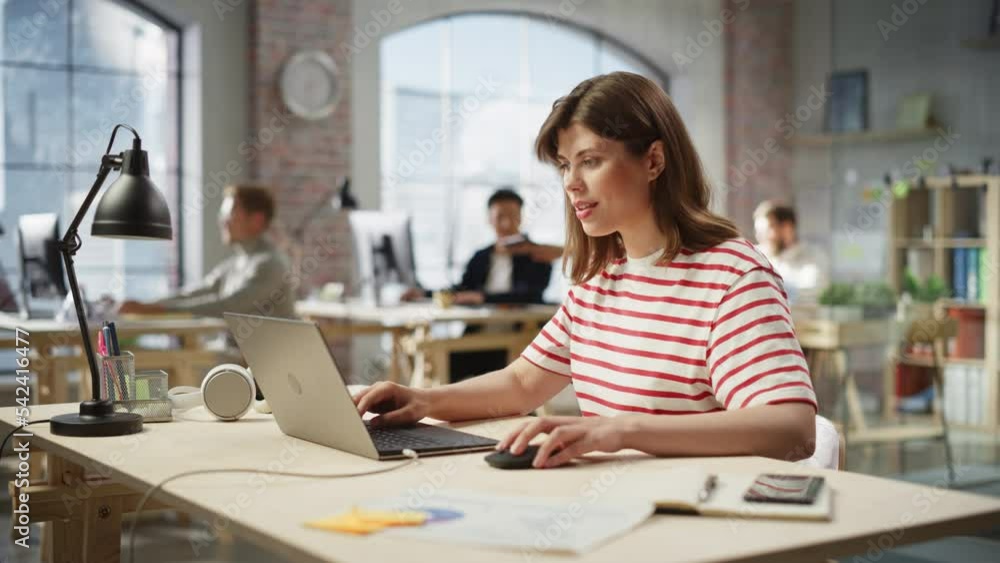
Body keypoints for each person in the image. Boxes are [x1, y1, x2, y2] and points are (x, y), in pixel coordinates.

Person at [355, 72, 817, 469]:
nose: (571, 183)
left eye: (591, 161)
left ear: (653, 160)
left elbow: (791, 427)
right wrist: (424, 401)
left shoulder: (732, 276)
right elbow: (522, 383)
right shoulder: (601, 278)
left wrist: (622, 432)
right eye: (564, 165)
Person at [119, 184, 295, 319]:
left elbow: (228, 306)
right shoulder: (233, 264)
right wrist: (147, 305)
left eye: (231, 213)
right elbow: (196, 293)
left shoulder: (271, 264)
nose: (222, 221)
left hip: (261, 361)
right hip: (233, 354)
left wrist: (155, 309)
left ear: (256, 220)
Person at [402, 187, 561, 306]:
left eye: (513, 216)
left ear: (521, 218)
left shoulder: (538, 253)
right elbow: (463, 290)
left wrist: (483, 298)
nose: (506, 223)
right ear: (489, 219)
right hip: (480, 329)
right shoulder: (481, 257)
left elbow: (531, 295)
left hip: (521, 332)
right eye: (500, 217)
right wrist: (424, 293)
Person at [753, 201, 828, 304]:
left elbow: (815, 292)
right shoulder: (755, 257)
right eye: (758, 232)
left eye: (765, 231)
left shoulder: (813, 256)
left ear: (787, 228)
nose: (760, 238)